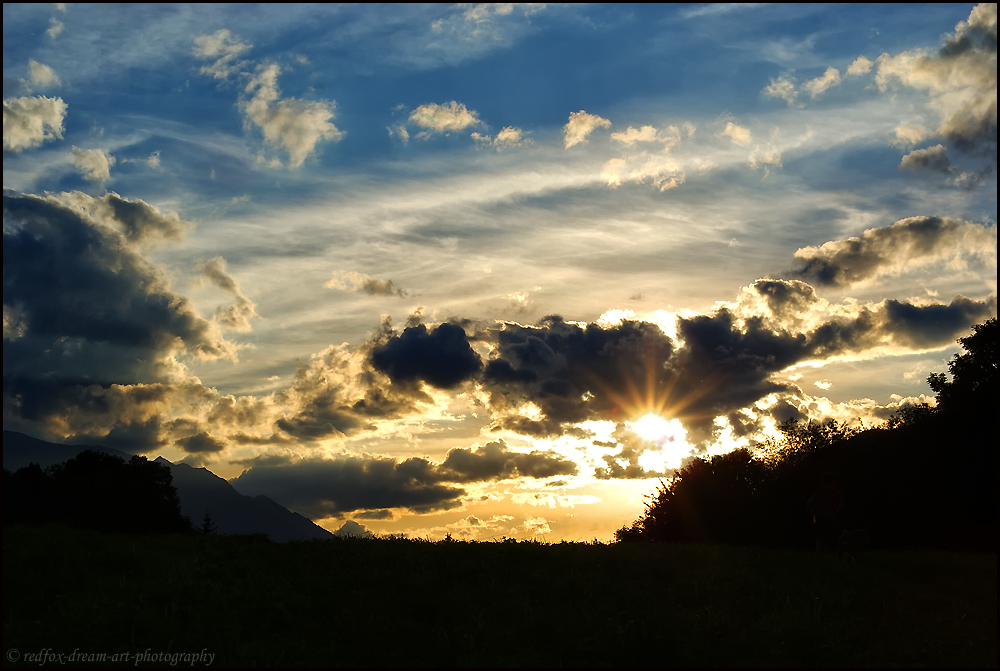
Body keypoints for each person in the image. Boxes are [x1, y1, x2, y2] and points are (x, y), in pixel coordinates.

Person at [807, 473, 843, 553]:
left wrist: (814, 510)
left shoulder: (819, 492)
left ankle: (819, 553)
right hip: (832, 516)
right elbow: (841, 505)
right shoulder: (836, 492)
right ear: (833, 482)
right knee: (831, 535)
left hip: (820, 517)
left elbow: (809, 504)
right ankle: (830, 553)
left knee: (820, 536)